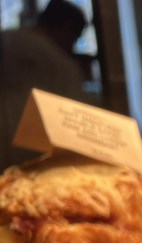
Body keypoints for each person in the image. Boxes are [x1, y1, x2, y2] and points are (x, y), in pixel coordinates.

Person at [0, 0, 88, 170]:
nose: (73, 45)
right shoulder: (61, 63)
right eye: (75, 37)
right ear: (65, 28)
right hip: (40, 168)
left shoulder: (5, 40)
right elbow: (77, 125)